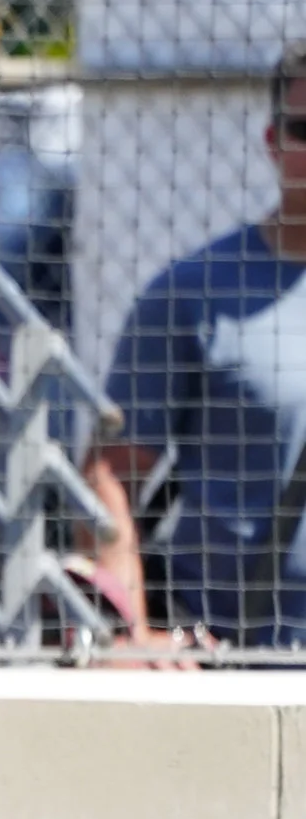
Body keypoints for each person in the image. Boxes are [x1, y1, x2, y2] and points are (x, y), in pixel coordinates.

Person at [83, 40, 306, 649]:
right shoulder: (192, 293)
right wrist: (129, 636)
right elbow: (108, 479)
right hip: (236, 662)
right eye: (305, 130)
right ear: (273, 142)